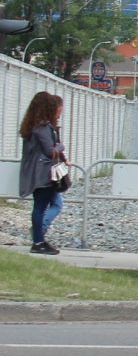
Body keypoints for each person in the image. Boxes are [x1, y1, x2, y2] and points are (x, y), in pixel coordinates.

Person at [17, 90, 67, 255]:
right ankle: (38, 241)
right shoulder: (43, 127)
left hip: (33, 171)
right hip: (44, 173)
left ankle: (39, 238)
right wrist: (61, 146)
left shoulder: (30, 126)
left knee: (47, 205)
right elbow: (49, 151)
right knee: (41, 206)